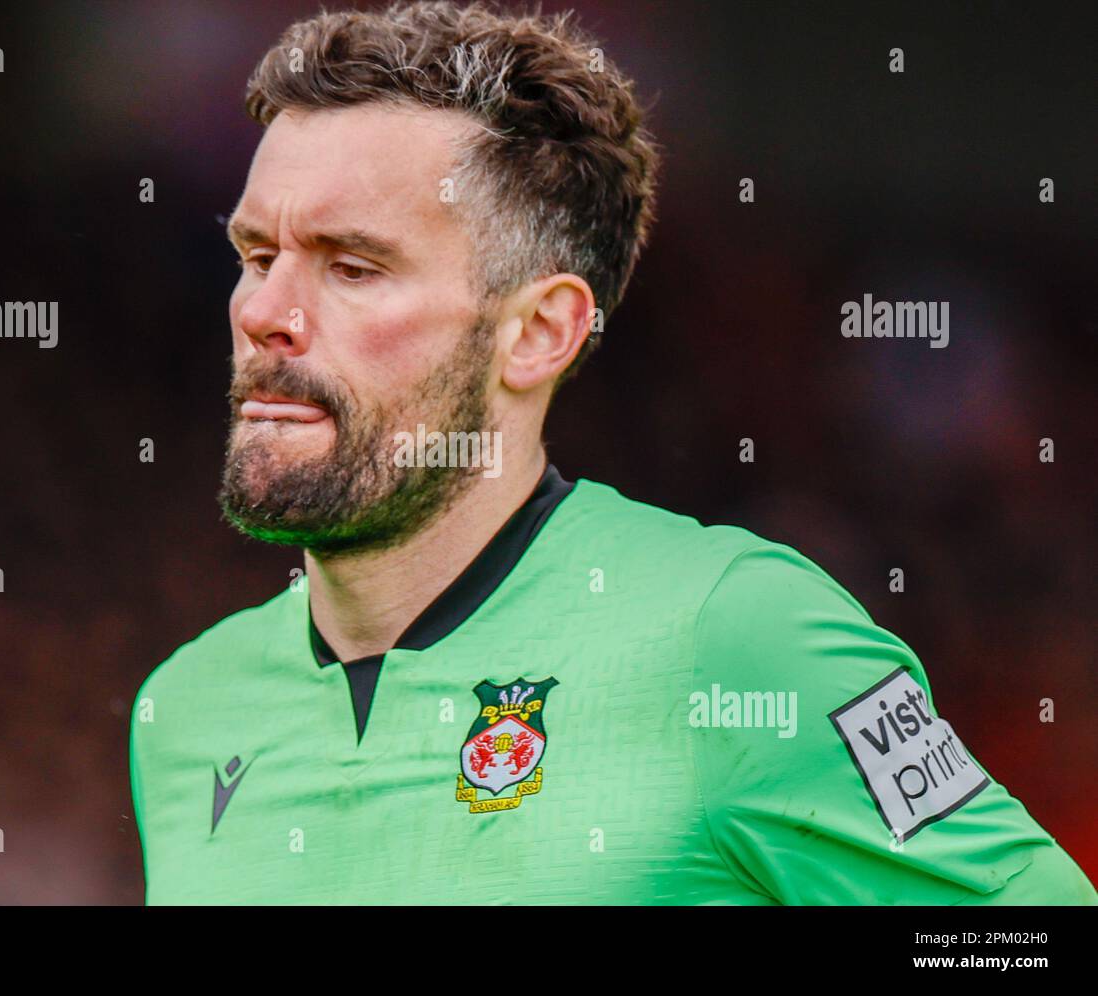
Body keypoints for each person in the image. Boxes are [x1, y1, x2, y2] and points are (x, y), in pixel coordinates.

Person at [129, 0, 1096, 904]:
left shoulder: (735, 637)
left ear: (539, 332)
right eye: (257, 256)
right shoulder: (185, 710)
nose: (263, 313)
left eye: (352, 266)